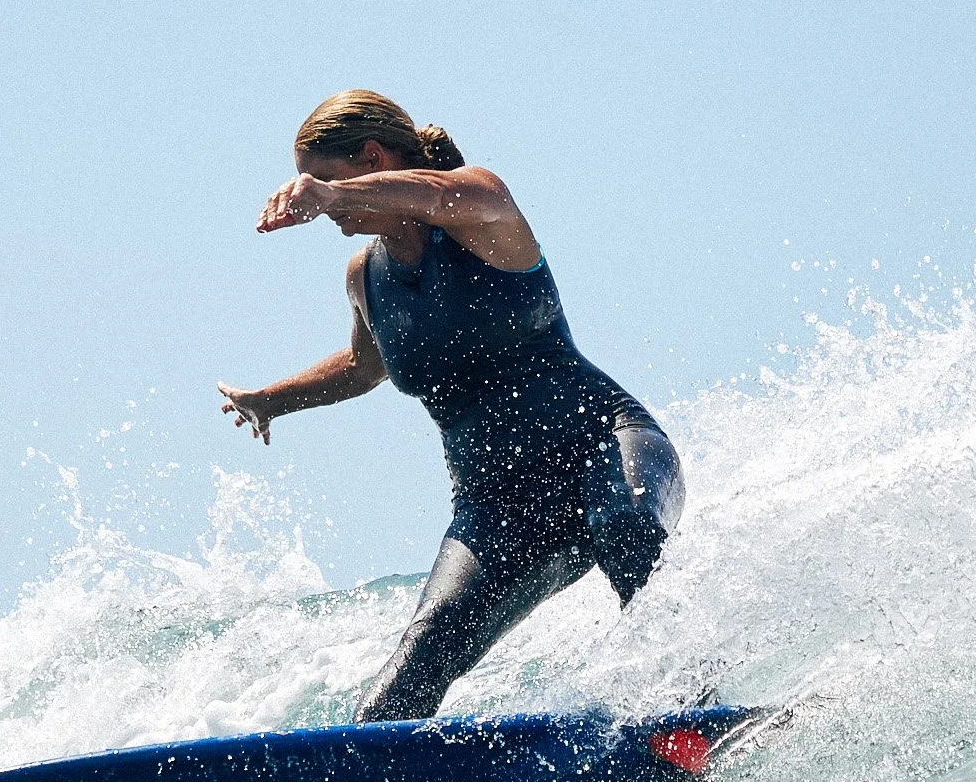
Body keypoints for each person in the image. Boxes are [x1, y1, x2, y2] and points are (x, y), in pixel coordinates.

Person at [218, 89, 683, 723]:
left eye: (322, 175)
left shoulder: (478, 205)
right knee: (416, 662)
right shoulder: (365, 276)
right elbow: (363, 367)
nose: (315, 198)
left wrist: (336, 195)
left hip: (601, 447)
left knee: (624, 527)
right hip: (495, 504)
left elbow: (438, 197)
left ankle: (690, 709)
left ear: (373, 156)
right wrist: (268, 400)